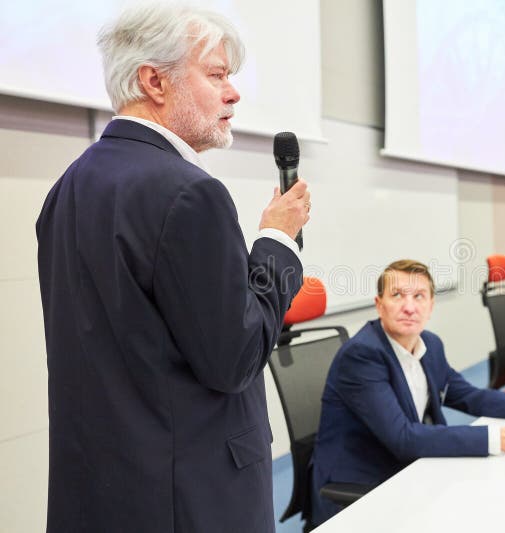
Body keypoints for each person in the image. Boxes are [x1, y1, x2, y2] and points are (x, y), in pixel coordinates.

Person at [36, 5, 309, 532]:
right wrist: (277, 241)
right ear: (154, 81)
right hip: (190, 499)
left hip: (102, 494)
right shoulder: (190, 193)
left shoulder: (66, 188)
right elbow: (236, 357)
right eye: (217, 74)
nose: (233, 93)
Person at [311, 260, 505, 525]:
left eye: (419, 296)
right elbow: (402, 438)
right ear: (379, 304)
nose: (409, 307)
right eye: (397, 295)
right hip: (365, 481)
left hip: (408, 466)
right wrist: (501, 438)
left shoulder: (430, 344)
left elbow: (468, 395)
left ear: (431, 306)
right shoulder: (363, 355)